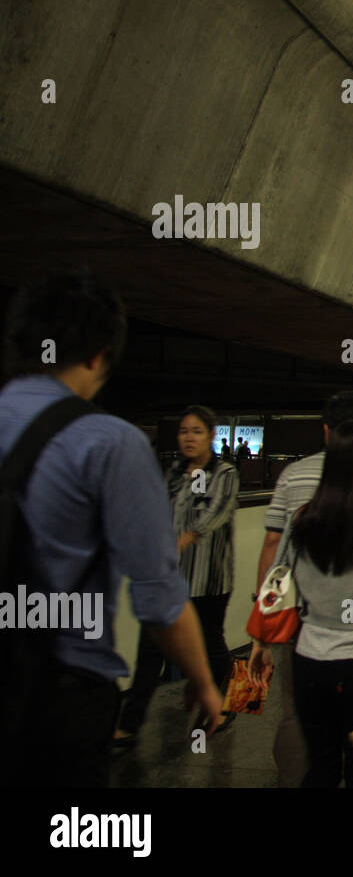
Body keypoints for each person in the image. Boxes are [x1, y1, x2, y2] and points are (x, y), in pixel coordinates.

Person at [0, 272, 223, 787]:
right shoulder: (108, 443)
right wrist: (202, 679)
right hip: (58, 697)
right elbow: (158, 598)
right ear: (100, 354)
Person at [250, 390, 353, 787]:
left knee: (320, 768)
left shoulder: (304, 518)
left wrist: (259, 641)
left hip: (309, 662)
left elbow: (278, 576)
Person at [116, 404, 241, 746]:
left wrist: (181, 540)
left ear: (212, 436)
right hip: (168, 580)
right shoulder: (173, 473)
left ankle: (222, 705)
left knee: (212, 644)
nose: (189, 437)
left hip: (210, 579)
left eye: (197, 431)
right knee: (150, 651)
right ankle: (130, 724)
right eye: (184, 431)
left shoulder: (224, 473)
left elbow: (214, 515)